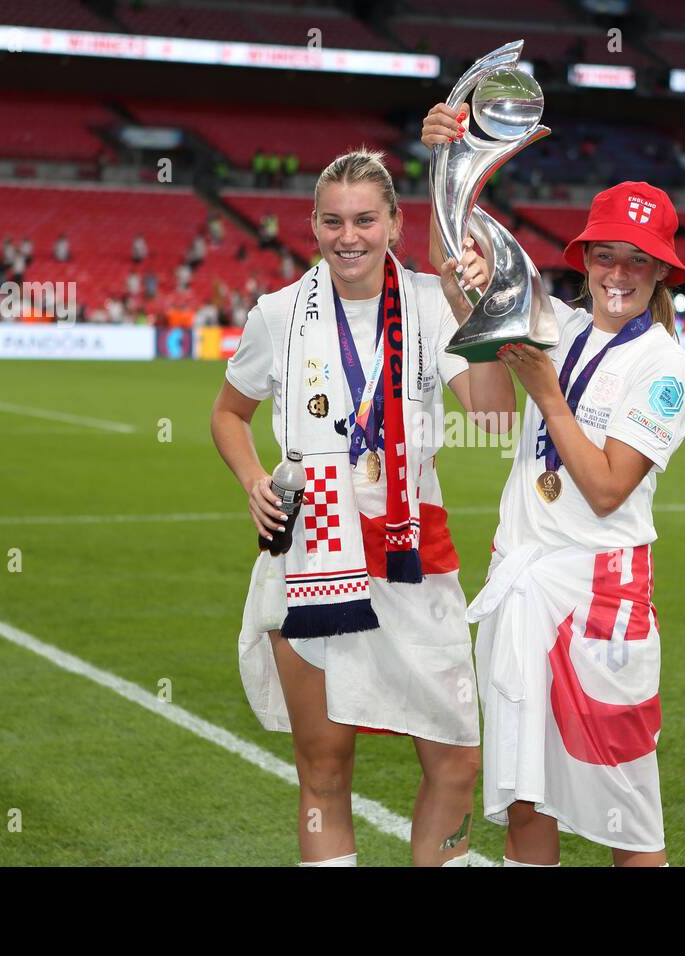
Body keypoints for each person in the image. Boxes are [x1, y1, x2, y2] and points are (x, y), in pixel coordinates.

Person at [210, 147, 516, 867]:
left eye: (366, 220)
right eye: (335, 221)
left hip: (414, 556)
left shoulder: (435, 304)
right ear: (312, 226)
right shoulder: (277, 313)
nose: (350, 236)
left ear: (395, 224)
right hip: (310, 552)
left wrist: (475, 308)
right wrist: (253, 476)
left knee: (457, 764)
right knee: (324, 773)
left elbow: (497, 417)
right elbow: (228, 414)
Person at [422, 101, 685, 868]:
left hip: (602, 600)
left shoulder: (665, 365)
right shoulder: (562, 326)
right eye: (605, 256)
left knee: (628, 821)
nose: (617, 273)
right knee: (525, 806)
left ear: (661, 272)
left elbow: (609, 487)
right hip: (526, 586)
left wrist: (549, 392)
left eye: (636, 261)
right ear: (585, 260)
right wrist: (448, 179)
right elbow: (487, 406)